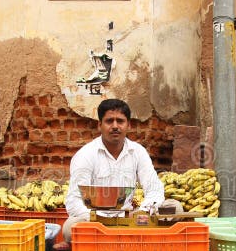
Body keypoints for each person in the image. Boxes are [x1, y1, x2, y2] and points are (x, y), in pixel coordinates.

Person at [62, 98, 181, 242]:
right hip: (95, 222)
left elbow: (154, 190)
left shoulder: (138, 152)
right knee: (70, 229)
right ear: (100, 125)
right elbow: (74, 201)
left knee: (175, 208)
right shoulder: (86, 155)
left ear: (128, 125)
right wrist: (97, 220)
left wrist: (141, 212)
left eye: (120, 121)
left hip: (129, 219)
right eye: (109, 121)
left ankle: (131, 236)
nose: (115, 126)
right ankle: (116, 237)